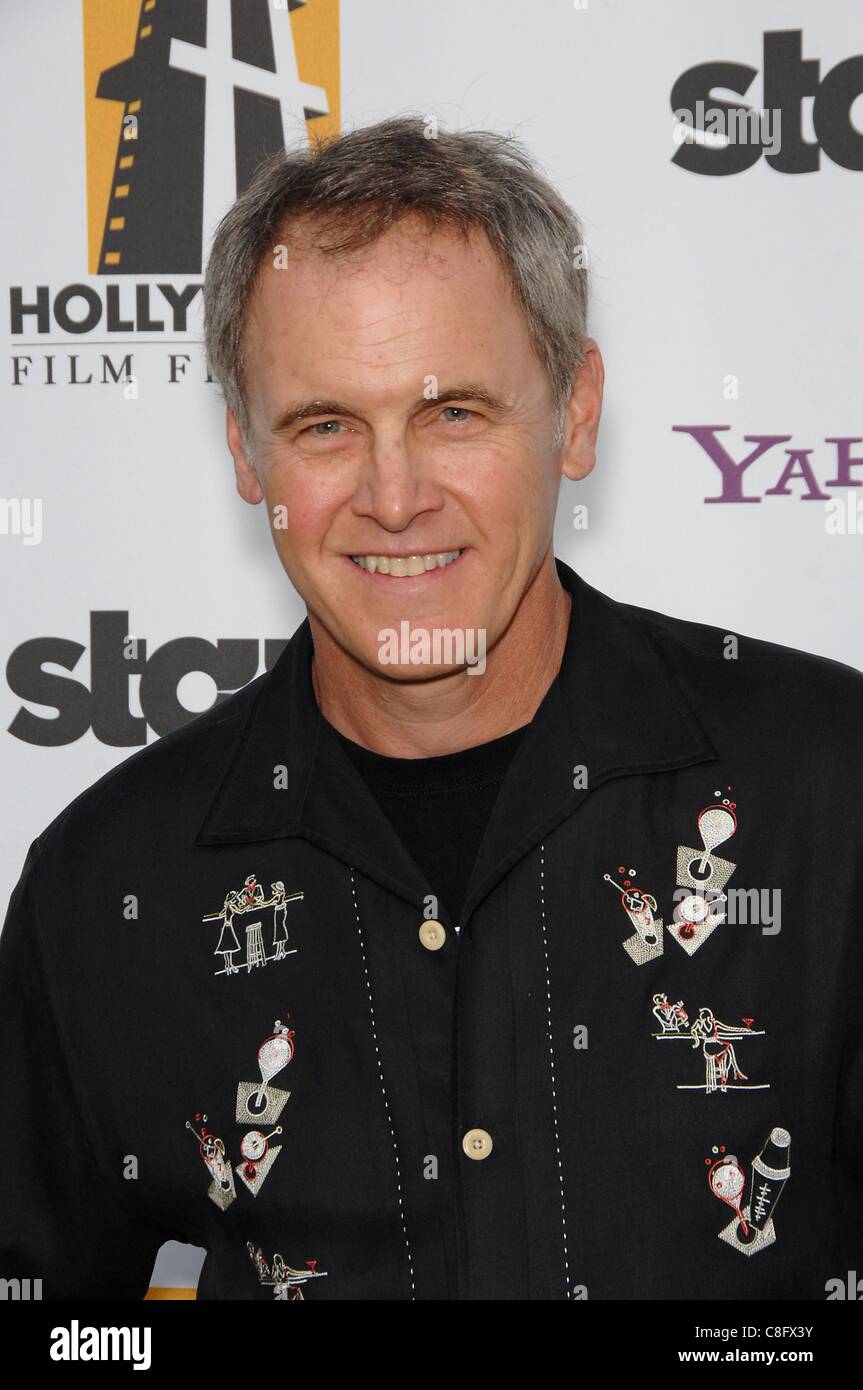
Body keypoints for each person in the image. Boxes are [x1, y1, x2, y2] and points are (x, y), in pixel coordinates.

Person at [0, 116, 860, 1300]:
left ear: (574, 413)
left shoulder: (830, 796)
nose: (394, 498)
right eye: (324, 426)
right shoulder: (106, 884)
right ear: (246, 454)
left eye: (452, 412)